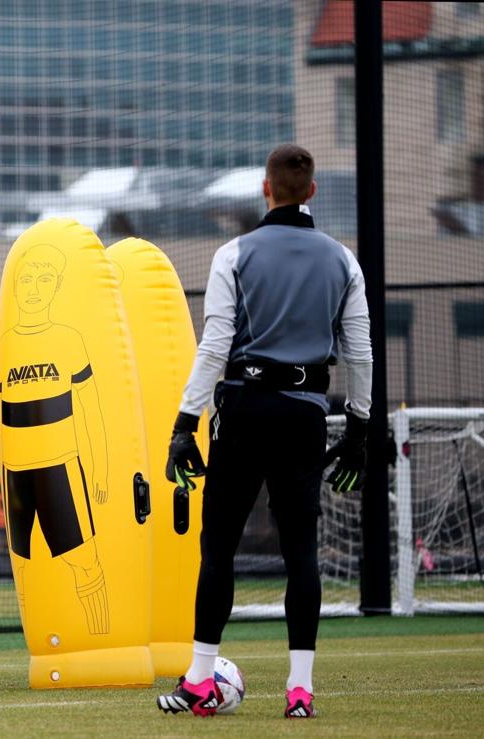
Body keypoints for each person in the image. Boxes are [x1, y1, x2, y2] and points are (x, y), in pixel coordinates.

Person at [156, 144, 372, 719]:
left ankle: (201, 677)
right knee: (301, 548)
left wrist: (185, 424)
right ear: (313, 192)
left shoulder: (234, 254)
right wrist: (358, 427)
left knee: (218, 545)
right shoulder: (343, 260)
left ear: (265, 188)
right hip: (306, 414)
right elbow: (360, 352)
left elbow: (214, 346)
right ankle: (300, 691)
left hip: (246, 410)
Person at [0, 244, 110, 634]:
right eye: (26, 279)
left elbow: (92, 410)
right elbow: (2, 413)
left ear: (56, 286)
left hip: (60, 466)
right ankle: (39, 638)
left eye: (44, 280)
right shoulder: (7, 341)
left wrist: (99, 472)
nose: (33, 288)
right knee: (23, 565)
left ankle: (102, 637)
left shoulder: (68, 339)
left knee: (83, 558)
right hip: (16, 473)